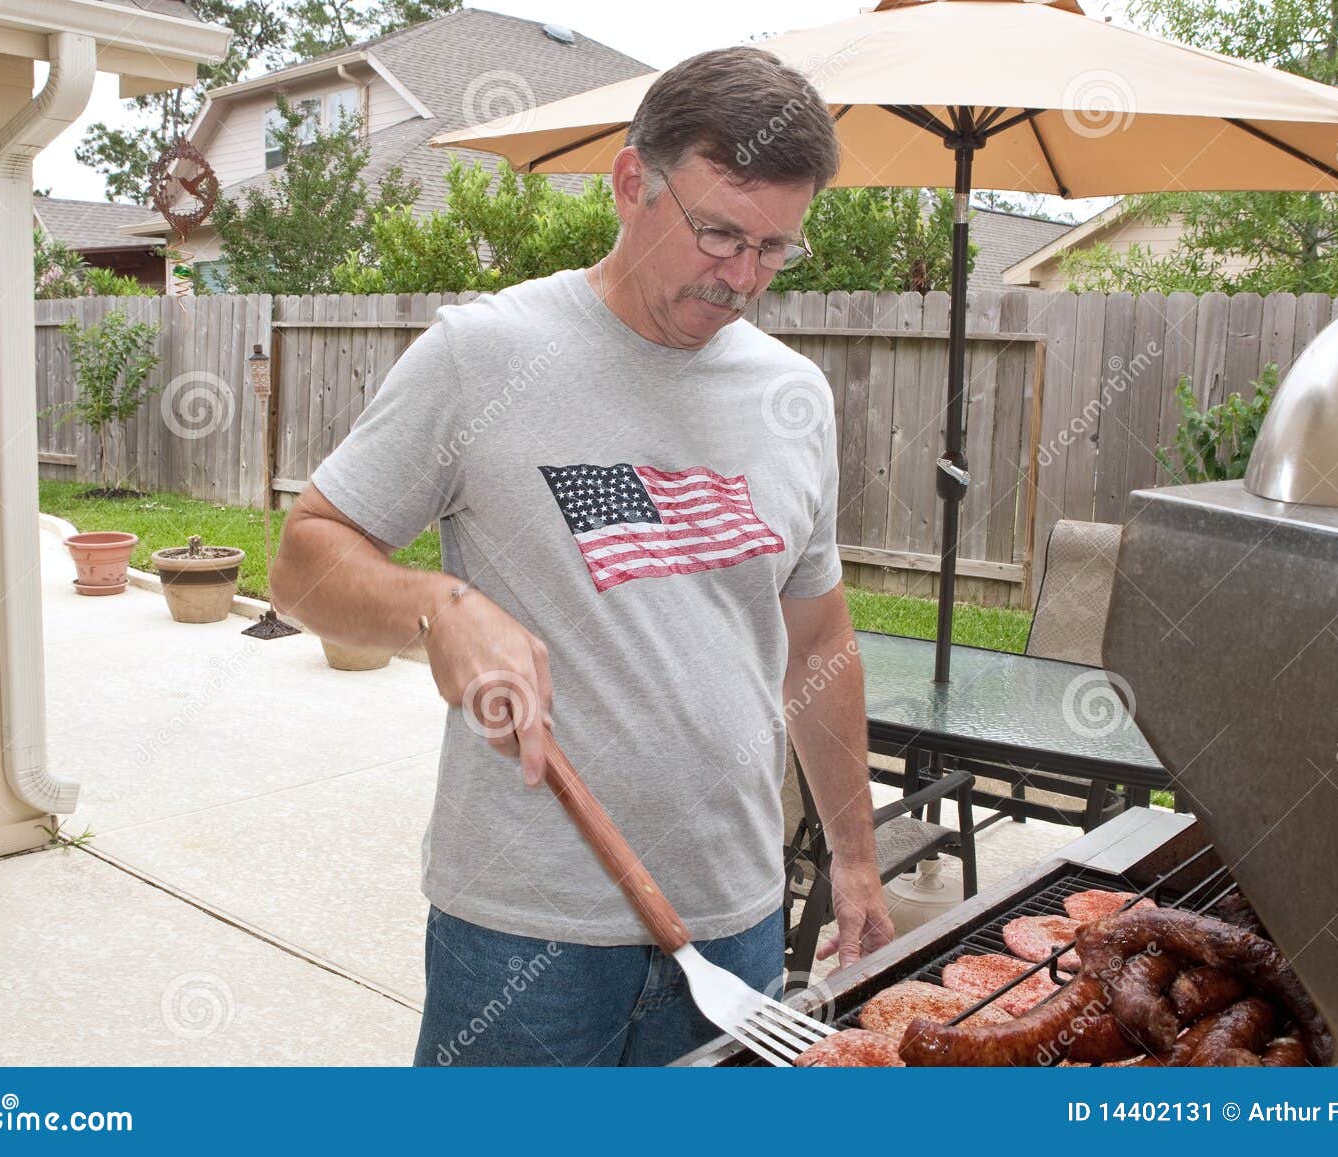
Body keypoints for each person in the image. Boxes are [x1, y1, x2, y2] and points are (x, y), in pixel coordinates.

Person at [270, 45, 893, 1066]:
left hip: (737, 915)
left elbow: (817, 637)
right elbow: (303, 562)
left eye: (775, 248)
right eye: (718, 233)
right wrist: (436, 606)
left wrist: (855, 858)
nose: (742, 278)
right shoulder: (483, 355)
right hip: (524, 936)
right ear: (629, 182)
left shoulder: (793, 394)